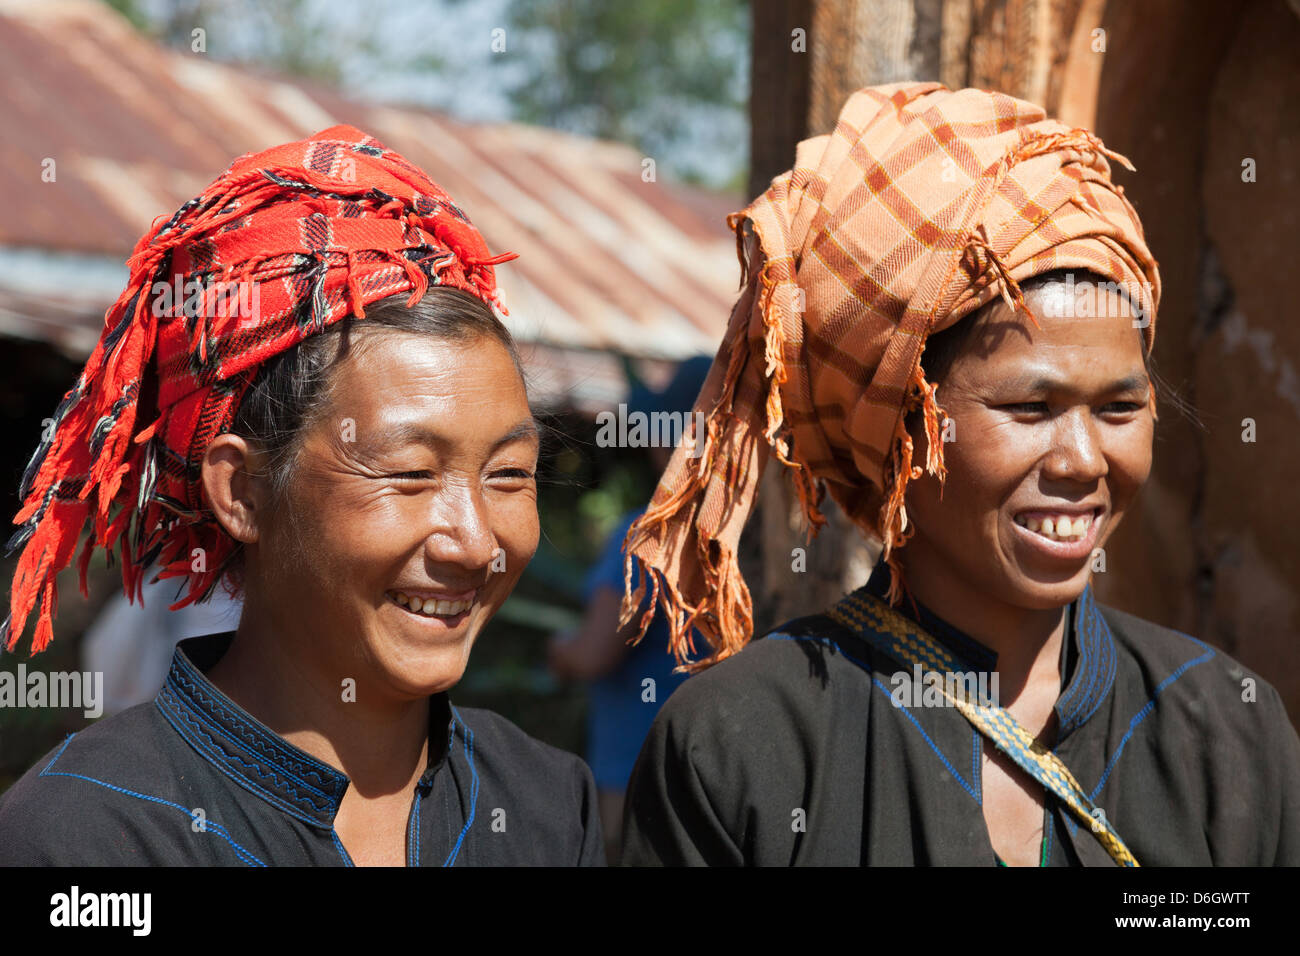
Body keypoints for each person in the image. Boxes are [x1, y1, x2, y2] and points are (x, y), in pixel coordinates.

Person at [618, 82, 1300, 866]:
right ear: (897, 427)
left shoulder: (1226, 733)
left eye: (1119, 408)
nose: (1083, 460)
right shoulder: (747, 747)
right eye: (1030, 408)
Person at [0, 126, 603, 866]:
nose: (476, 542)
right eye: (410, 474)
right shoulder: (89, 836)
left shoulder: (543, 805)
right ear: (243, 490)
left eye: (508, 474)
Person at [547, 356, 710, 862]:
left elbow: (596, 654)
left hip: (634, 781)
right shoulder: (750, 539)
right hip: (716, 778)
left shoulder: (642, 536)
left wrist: (561, 652)